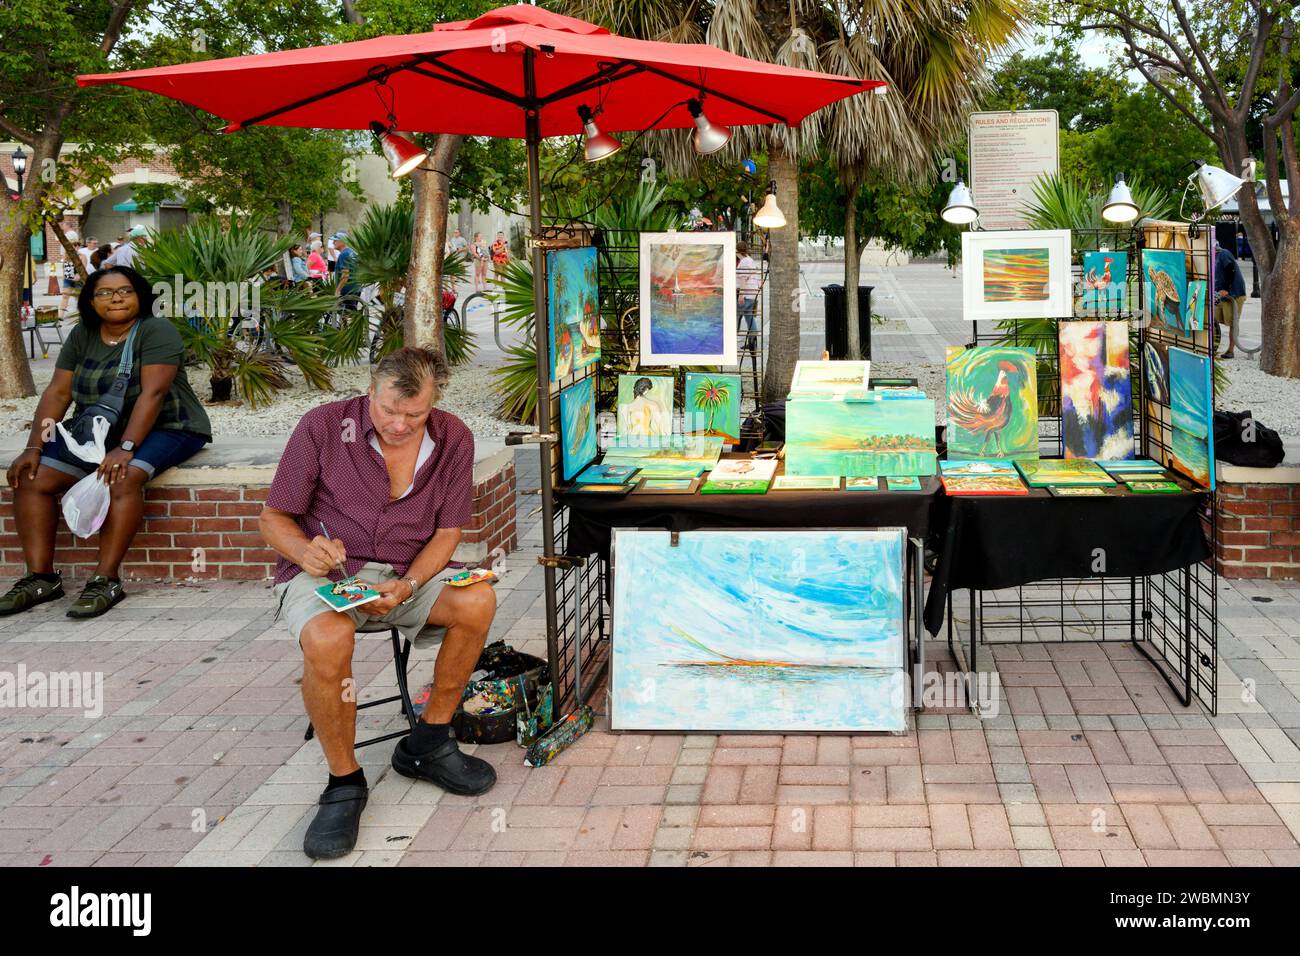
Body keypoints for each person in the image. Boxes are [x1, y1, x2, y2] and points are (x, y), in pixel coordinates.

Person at [258, 347, 498, 860]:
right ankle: (344, 782)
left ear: (434, 402)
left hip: (406, 572)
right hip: (324, 571)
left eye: (415, 415)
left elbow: (449, 532)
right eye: (389, 410)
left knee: (477, 599)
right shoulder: (323, 426)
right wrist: (305, 550)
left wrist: (409, 585)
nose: (400, 424)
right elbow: (273, 518)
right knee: (329, 635)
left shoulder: (454, 436)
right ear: (370, 392)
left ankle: (429, 741)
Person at [1, 266, 212, 619]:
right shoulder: (83, 334)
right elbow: (58, 391)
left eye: (125, 291)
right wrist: (34, 446)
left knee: (123, 476)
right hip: (99, 429)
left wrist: (126, 448)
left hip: (169, 425)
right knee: (31, 477)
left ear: (140, 296)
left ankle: (106, 579)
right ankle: (41, 578)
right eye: (104, 292)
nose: (115, 298)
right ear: (90, 301)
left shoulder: (156, 330)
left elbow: (154, 393)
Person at [1214, 240, 1247, 359]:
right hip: (1221, 293)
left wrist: (1227, 289)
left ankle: (1231, 350)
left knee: (1233, 322)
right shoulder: (1213, 256)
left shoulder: (1223, 254)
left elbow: (1230, 270)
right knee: (1214, 317)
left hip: (1235, 293)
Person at [736, 240, 761, 352]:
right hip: (752, 293)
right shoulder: (750, 260)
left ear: (737, 251)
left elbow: (743, 279)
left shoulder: (744, 262)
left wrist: (741, 295)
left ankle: (731, 339)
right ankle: (752, 342)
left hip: (746, 294)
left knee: (735, 316)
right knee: (748, 317)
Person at [332, 232, 359, 308]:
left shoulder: (343, 254)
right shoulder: (352, 252)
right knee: (349, 315)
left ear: (343, 242)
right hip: (355, 288)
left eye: (335, 240)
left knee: (347, 314)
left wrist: (337, 290)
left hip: (347, 290)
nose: (333, 242)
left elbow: (345, 275)